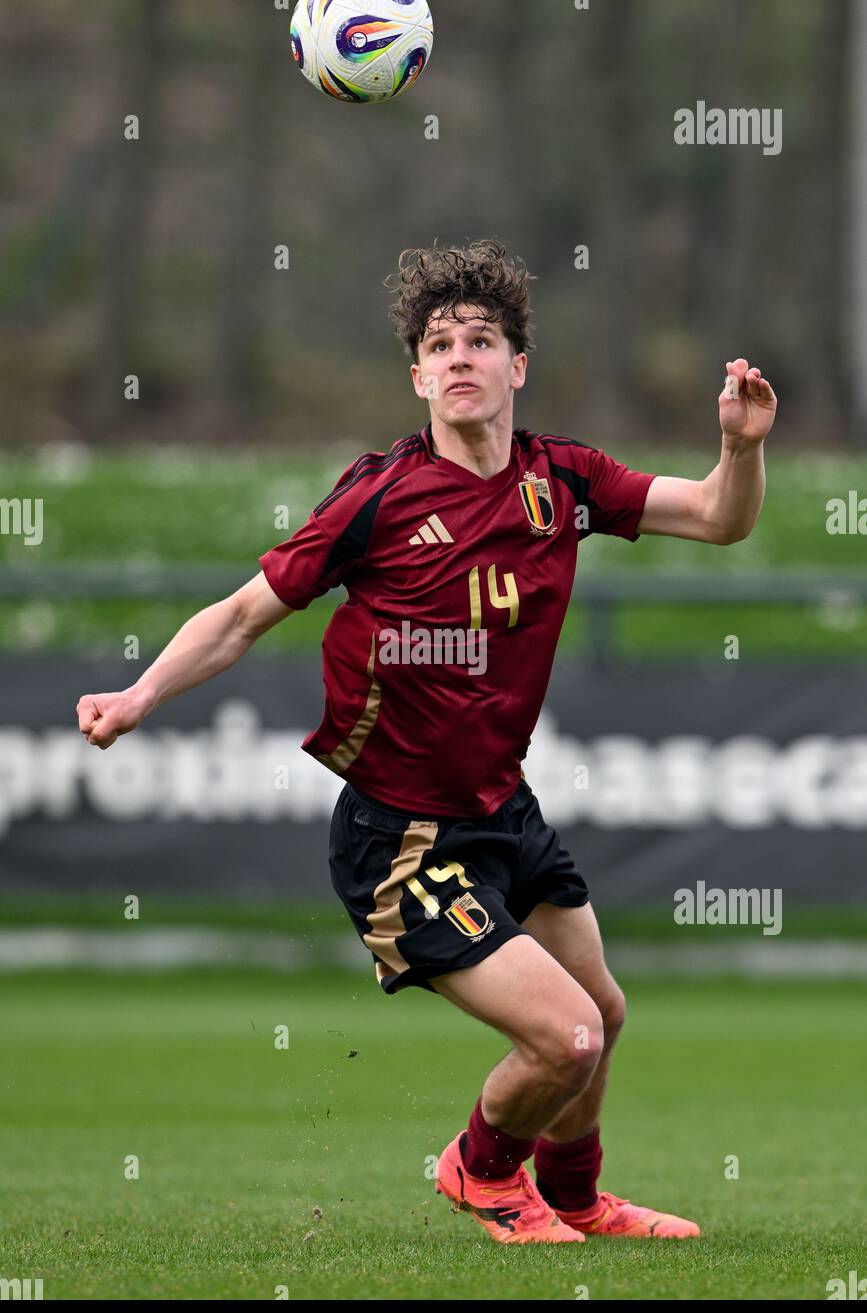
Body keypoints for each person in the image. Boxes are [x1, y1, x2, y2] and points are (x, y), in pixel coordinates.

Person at [77, 239, 777, 1245]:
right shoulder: (377, 499)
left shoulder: (562, 479)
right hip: (402, 840)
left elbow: (719, 519)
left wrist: (742, 449)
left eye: (482, 339)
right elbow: (239, 616)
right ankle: (484, 1171)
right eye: (438, 342)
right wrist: (140, 694)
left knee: (604, 1014)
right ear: (416, 374)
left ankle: (575, 1196)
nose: (460, 356)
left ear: (516, 366)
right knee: (568, 1035)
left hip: (505, 808)